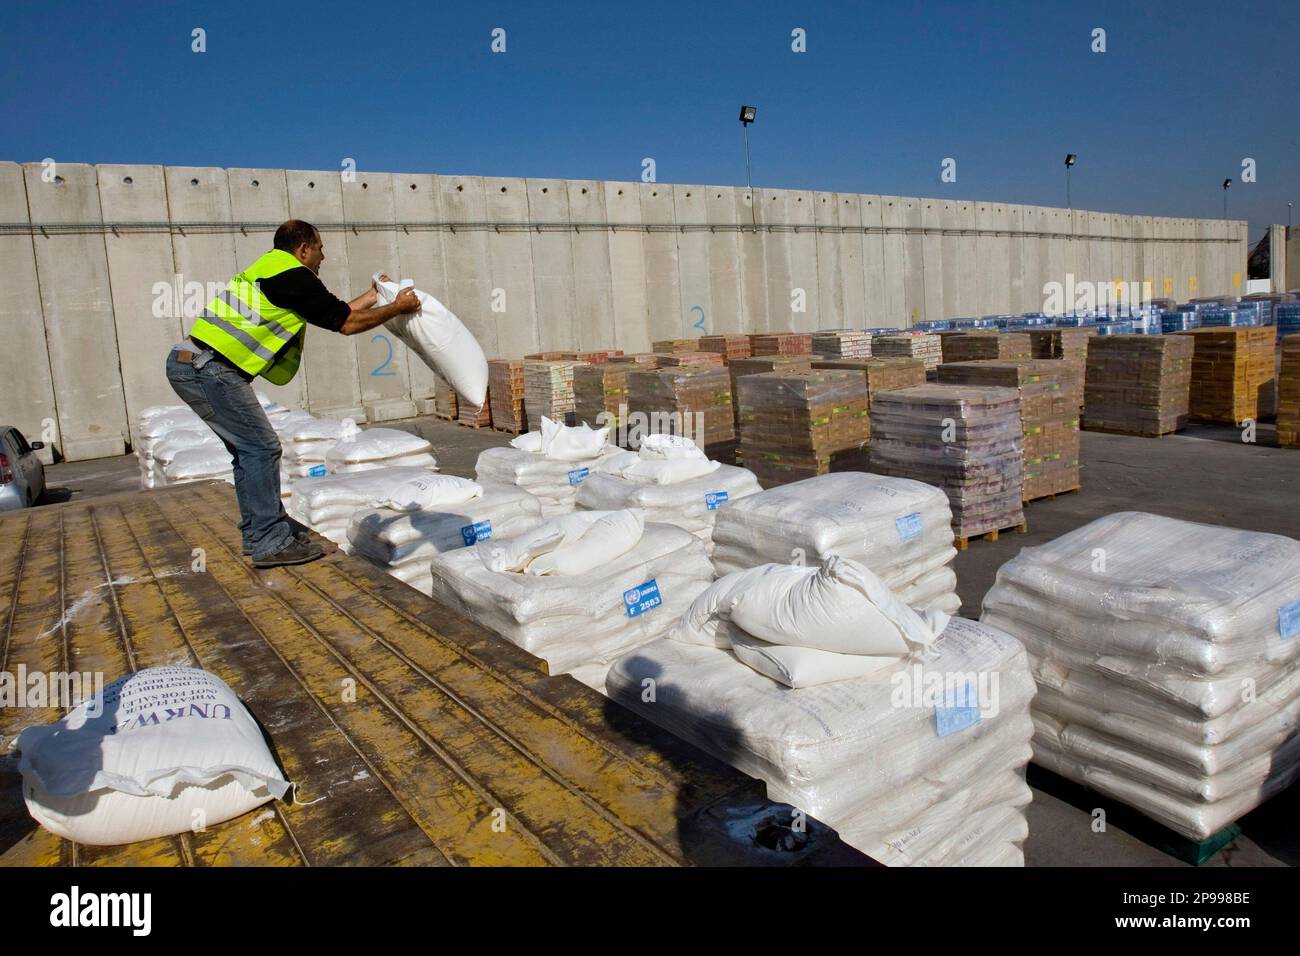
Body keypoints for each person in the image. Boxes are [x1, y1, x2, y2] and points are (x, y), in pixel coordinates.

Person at [165, 219, 421, 567]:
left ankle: (259, 533)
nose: (323, 257)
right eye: (319, 248)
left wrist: (376, 296)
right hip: (209, 369)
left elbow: (337, 313)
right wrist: (398, 307)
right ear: (304, 249)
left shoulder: (274, 269)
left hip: (195, 364)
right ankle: (270, 542)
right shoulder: (294, 276)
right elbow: (347, 324)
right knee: (261, 447)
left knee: (247, 451)